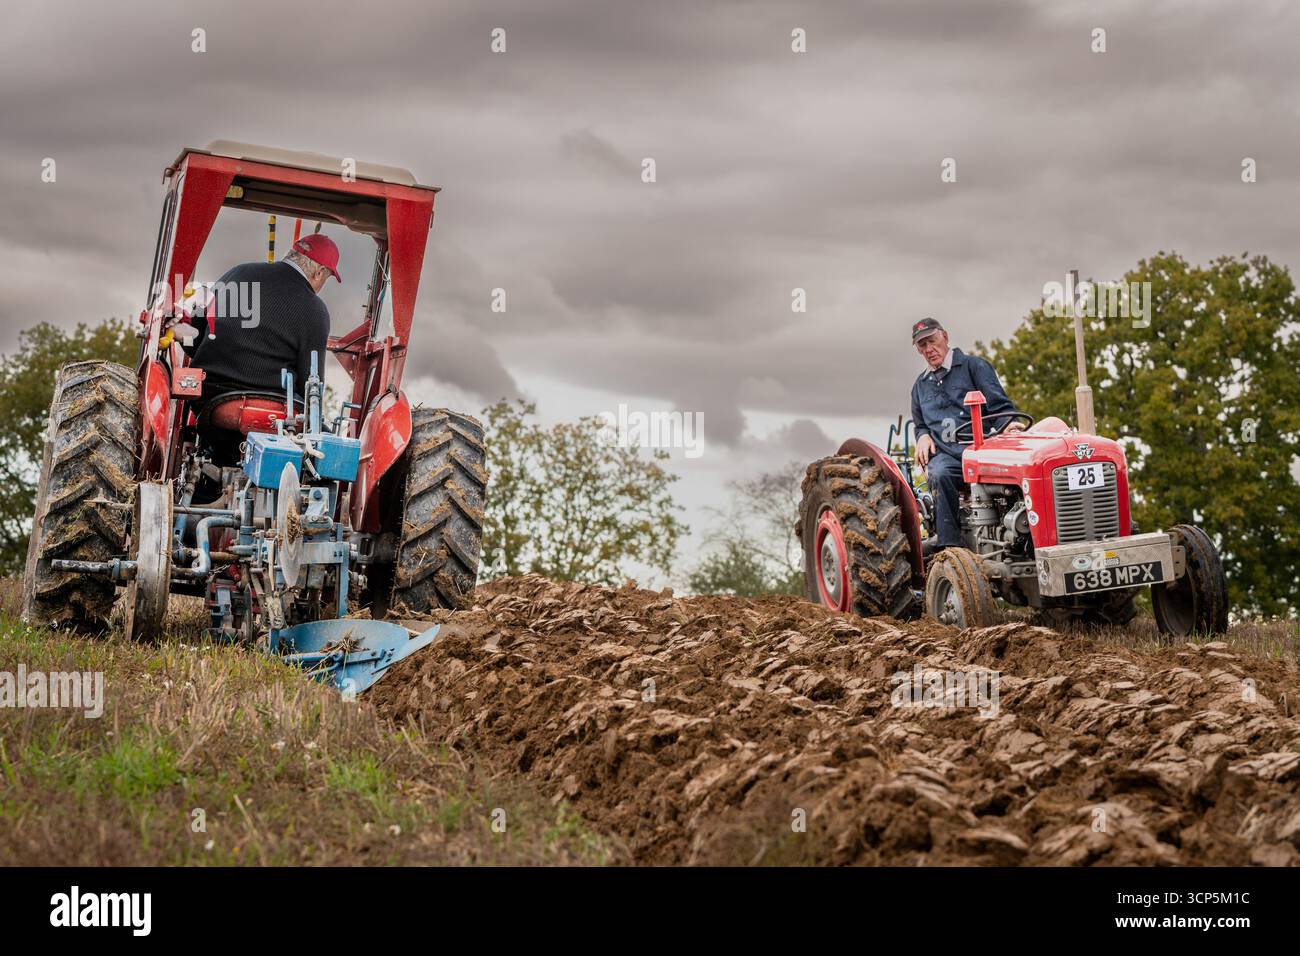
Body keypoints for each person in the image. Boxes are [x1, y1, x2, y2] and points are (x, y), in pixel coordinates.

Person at [908, 317, 1023, 555]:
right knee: (939, 473)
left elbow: (1001, 408)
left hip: (981, 451)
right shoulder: (920, 386)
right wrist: (922, 435)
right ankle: (949, 549)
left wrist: (1010, 425)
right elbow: (920, 424)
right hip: (947, 458)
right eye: (922, 345)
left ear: (945, 336)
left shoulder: (974, 366)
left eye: (932, 340)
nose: (929, 349)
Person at [190, 233, 341, 406]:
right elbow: (311, 386)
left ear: (292, 254)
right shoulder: (316, 310)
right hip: (269, 409)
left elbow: (196, 339)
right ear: (319, 272)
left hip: (207, 398)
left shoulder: (239, 272)